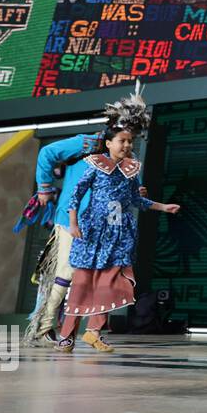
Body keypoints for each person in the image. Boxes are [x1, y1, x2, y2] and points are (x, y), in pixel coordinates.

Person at [25, 84, 152, 345]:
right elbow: (47, 153)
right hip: (73, 220)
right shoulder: (87, 143)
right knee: (67, 270)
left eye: (133, 137)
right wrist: (44, 189)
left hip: (102, 228)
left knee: (96, 276)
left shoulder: (124, 160)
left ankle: (81, 330)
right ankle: (45, 326)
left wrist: (135, 191)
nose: (129, 141)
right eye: (126, 135)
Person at [56, 125, 179, 353]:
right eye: (122, 141)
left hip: (119, 233)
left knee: (110, 282)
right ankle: (66, 336)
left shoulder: (131, 170)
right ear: (109, 144)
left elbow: (135, 199)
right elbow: (76, 195)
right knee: (82, 283)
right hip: (92, 231)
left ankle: (94, 331)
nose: (127, 145)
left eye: (130, 141)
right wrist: (73, 223)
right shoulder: (95, 165)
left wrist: (163, 207)